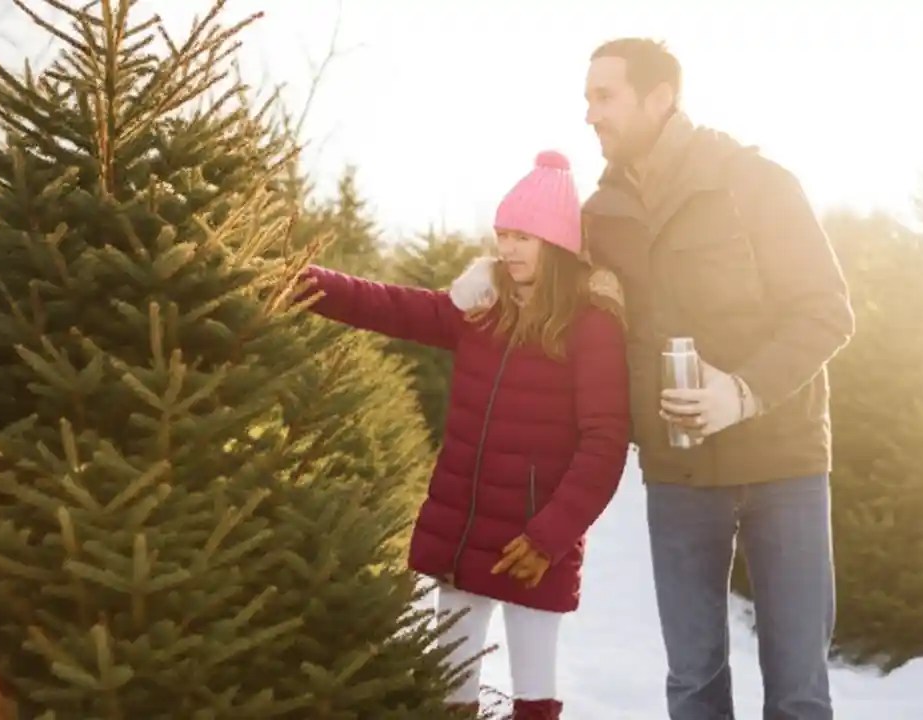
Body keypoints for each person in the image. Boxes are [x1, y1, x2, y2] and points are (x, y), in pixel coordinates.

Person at [296, 150, 630, 720]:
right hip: (463, 531)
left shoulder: (590, 326)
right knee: (448, 687)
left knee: (534, 695)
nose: (508, 248)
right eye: (503, 234)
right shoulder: (482, 309)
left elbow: (604, 444)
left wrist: (548, 537)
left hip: (532, 546)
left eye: (524, 235)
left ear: (557, 243)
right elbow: (391, 306)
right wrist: (306, 283)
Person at [580, 37, 855, 720]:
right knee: (694, 684)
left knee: (796, 689)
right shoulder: (601, 214)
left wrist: (741, 392)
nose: (590, 114)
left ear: (660, 98)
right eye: (587, 99)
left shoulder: (755, 183)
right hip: (679, 478)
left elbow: (827, 312)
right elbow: (544, 291)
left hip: (783, 465)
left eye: (604, 97)